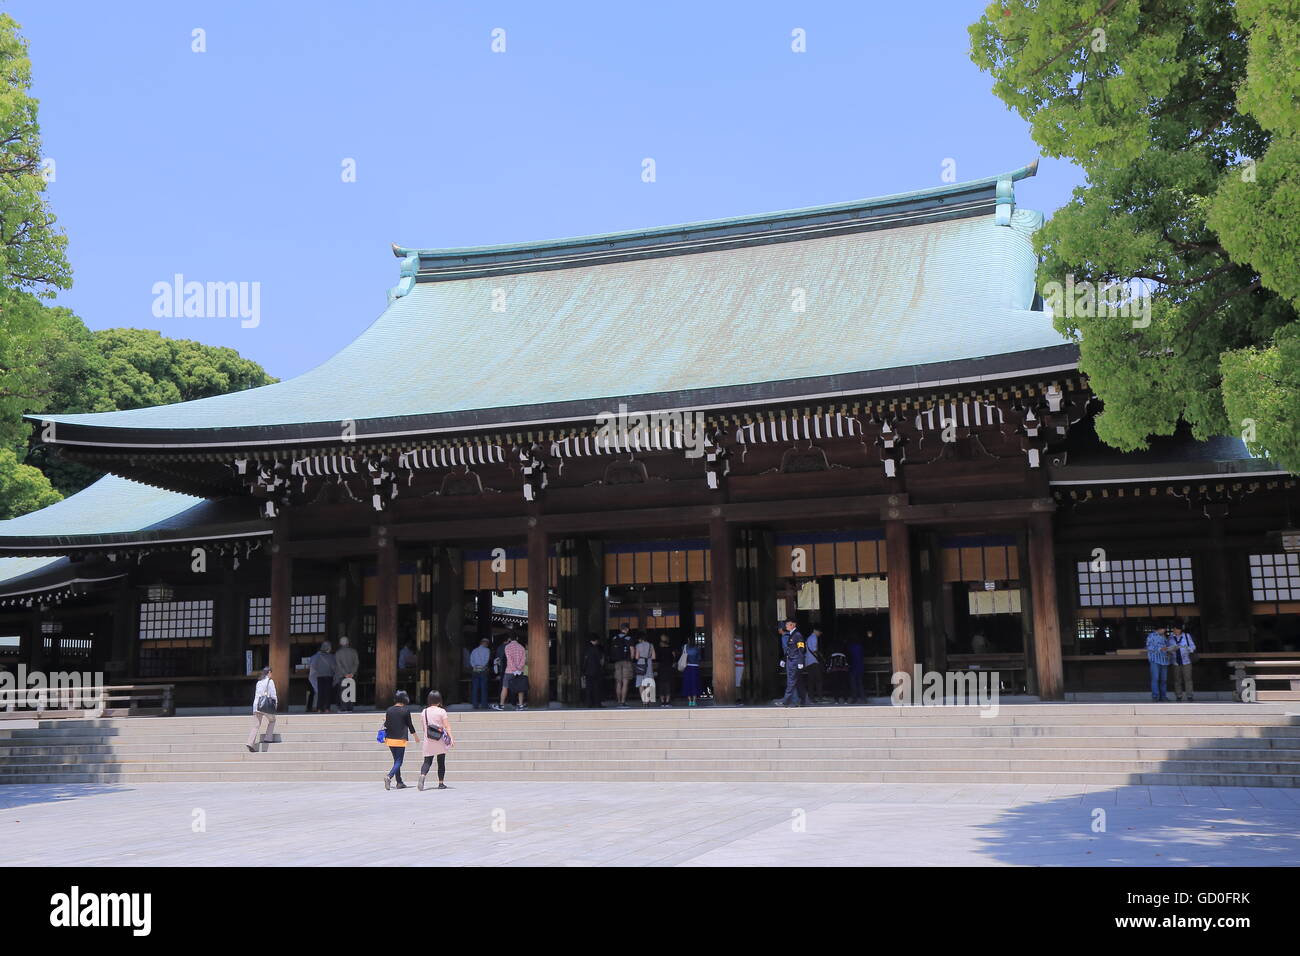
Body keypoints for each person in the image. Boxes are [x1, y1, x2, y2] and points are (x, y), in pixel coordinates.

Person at [418, 690, 454, 790]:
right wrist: (451, 738)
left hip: (428, 739)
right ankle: (441, 783)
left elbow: (423, 727)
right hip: (440, 739)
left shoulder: (424, 712)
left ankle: (422, 775)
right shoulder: (442, 711)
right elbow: (447, 726)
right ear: (439, 700)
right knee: (441, 761)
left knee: (427, 762)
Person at [383, 690, 416, 790]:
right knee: (399, 761)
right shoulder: (405, 710)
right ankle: (389, 776)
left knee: (396, 761)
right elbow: (410, 725)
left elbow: (386, 725)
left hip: (390, 739)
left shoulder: (389, 710)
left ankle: (399, 782)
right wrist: (416, 737)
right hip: (400, 739)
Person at [492, 633, 527, 711]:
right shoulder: (521, 647)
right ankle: (521, 705)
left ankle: (501, 705)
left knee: (505, 687)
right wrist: (518, 669)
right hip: (520, 671)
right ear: (517, 638)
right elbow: (523, 659)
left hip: (509, 671)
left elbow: (509, 659)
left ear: (509, 639)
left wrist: (514, 670)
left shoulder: (507, 647)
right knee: (520, 688)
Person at [246, 666, 277, 752]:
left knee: (256, 725)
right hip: (265, 706)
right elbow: (273, 694)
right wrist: (275, 704)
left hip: (257, 705)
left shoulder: (258, 682)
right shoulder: (270, 681)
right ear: (269, 672)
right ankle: (268, 738)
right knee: (272, 720)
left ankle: (250, 743)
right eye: (271, 673)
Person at [781, 619, 811, 707]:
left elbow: (801, 649)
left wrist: (800, 662)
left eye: (787, 624)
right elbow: (790, 649)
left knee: (791, 681)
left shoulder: (797, 635)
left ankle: (786, 701)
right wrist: (783, 659)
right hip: (790, 660)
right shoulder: (791, 635)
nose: (786, 626)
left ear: (793, 625)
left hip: (795, 661)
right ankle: (804, 701)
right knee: (798, 682)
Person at [1169, 625, 1197, 702]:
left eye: (1176, 628)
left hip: (1186, 661)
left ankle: (1189, 695)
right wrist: (1172, 649)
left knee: (1188, 679)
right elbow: (1168, 648)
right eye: (1174, 629)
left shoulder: (1187, 636)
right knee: (1177, 679)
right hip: (1175, 661)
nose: (1174, 630)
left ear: (1180, 629)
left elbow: (1193, 646)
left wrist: (1187, 649)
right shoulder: (1171, 637)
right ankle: (1179, 695)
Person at [308, 641, 336, 713]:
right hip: (329, 676)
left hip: (320, 676)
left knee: (320, 692)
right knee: (328, 693)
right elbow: (334, 667)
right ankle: (327, 708)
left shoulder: (317, 656)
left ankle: (319, 708)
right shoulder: (331, 656)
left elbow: (313, 666)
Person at [609, 626, 635, 707]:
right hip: (626, 662)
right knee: (625, 682)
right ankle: (623, 701)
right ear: (627, 629)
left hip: (617, 662)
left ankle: (619, 701)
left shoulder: (614, 638)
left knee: (618, 682)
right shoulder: (629, 638)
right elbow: (632, 650)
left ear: (620, 629)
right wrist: (631, 659)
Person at [1145, 625, 1171, 702]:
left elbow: (1167, 646)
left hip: (1164, 660)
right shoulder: (1151, 636)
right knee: (1155, 678)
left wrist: (1170, 650)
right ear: (1159, 629)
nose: (1164, 630)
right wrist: (1160, 648)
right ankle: (1155, 696)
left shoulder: (1165, 637)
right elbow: (1148, 647)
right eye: (1163, 628)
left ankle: (1163, 696)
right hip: (1155, 660)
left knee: (1164, 680)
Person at [334, 636, 360, 712]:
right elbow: (356, 663)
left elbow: (339, 665)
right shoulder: (354, 651)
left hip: (342, 675)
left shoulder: (338, 653)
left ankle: (344, 708)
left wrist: (345, 674)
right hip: (352, 675)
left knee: (343, 691)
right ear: (348, 642)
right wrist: (352, 673)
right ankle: (350, 708)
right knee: (351, 691)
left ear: (340, 643)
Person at [582, 635, 605, 708]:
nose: (597, 642)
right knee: (596, 687)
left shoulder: (586, 649)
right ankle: (597, 703)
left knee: (588, 688)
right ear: (594, 641)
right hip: (596, 670)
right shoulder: (596, 648)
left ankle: (588, 703)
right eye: (597, 640)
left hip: (587, 671)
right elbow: (600, 660)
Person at [469, 637, 492, 710]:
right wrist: (482, 666)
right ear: (485, 643)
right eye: (487, 643)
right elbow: (486, 660)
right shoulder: (487, 650)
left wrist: (475, 667)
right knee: (483, 688)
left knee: (475, 688)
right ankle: (484, 705)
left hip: (475, 670)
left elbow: (471, 660)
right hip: (483, 671)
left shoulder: (474, 650)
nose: (487, 645)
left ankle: (475, 705)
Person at [634, 632, 656, 706]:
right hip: (648, 664)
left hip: (640, 664)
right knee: (648, 682)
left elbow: (636, 657)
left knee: (641, 683)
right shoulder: (651, 645)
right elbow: (654, 657)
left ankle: (644, 701)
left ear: (640, 639)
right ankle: (648, 700)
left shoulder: (638, 645)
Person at [679, 639, 703, 707]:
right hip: (695, 667)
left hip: (687, 667)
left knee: (688, 684)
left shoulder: (684, 647)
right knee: (695, 684)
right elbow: (699, 658)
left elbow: (682, 656)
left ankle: (689, 701)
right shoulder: (697, 648)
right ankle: (694, 701)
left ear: (688, 640)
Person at [804, 627, 825, 702]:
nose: (820, 634)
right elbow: (814, 649)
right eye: (819, 632)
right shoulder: (814, 637)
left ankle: (811, 697)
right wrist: (820, 657)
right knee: (819, 680)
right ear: (816, 631)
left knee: (811, 680)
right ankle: (819, 697)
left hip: (808, 662)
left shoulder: (808, 638)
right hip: (814, 662)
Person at [655, 634, 675, 706]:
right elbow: (674, 657)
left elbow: (656, 658)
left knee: (661, 684)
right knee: (668, 684)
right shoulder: (670, 648)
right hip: (668, 667)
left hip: (661, 667)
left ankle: (662, 701)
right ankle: (667, 701)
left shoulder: (659, 649)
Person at [847, 634, 866, 704]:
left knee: (853, 683)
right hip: (860, 667)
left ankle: (854, 698)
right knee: (860, 683)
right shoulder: (860, 647)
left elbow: (849, 657)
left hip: (853, 667)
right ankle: (863, 698)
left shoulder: (850, 647)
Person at [733, 633, 745, 703]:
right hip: (739, 664)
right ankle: (738, 698)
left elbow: (732, 651)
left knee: (737, 683)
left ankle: (738, 699)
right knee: (737, 683)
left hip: (738, 665)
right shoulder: (738, 640)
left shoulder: (735, 641)